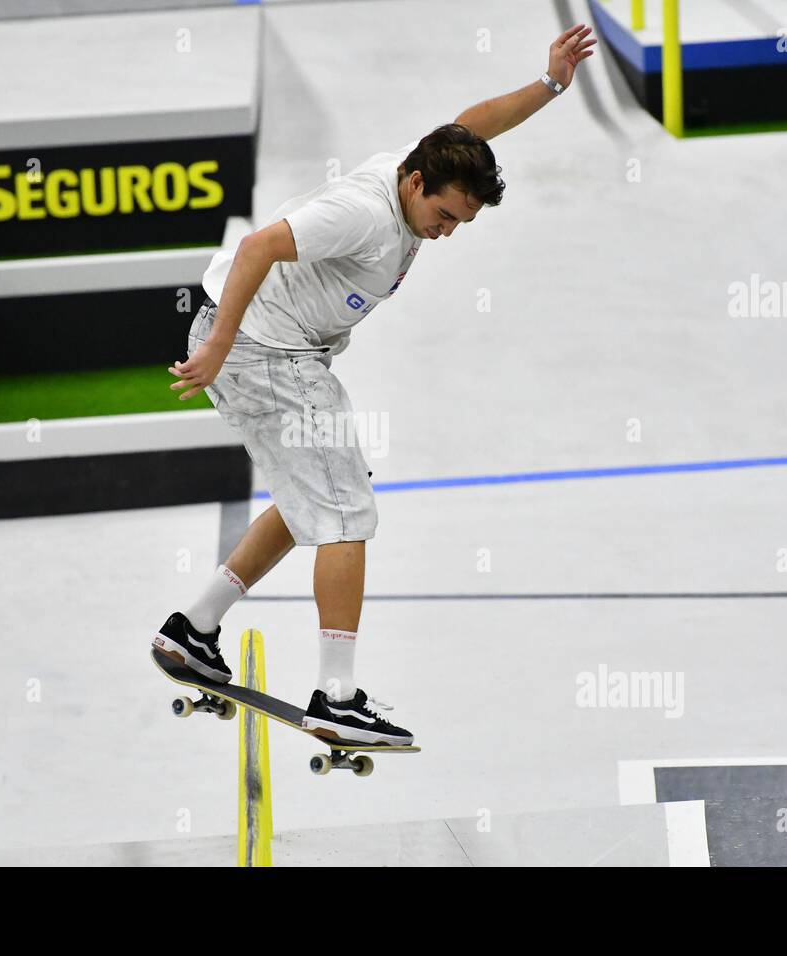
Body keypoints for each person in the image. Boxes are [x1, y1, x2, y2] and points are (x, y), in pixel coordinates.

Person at [153, 25, 597, 746]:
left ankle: (192, 630)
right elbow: (259, 245)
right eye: (443, 216)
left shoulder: (427, 162)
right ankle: (337, 695)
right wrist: (223, 346)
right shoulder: (361, 212)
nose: (446, 232)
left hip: (279, 354)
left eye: (461, 223)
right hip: (264, 354)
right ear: (416, 183)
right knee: (347, 514)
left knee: (316, 503)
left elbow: (479, 122)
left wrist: (549, 84)